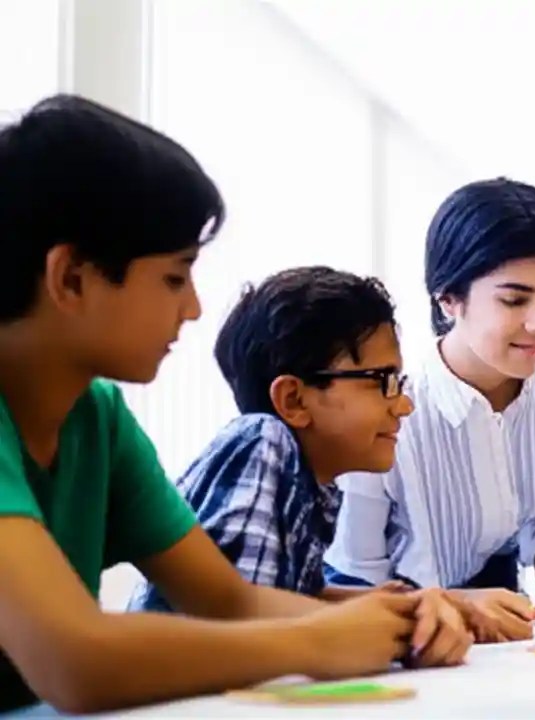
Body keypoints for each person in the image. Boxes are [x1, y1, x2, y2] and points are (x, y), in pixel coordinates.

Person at [0, 95, 468, 715]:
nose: (192, 307)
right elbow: (73, 660)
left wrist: (404, 620)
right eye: (174, 276)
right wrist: (313, 641)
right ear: (71, 278)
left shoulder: (98, 417)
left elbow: (230, 599)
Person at [326, 178, 535, 636]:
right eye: (514, 299)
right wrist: (454, 605)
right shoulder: (388, 409)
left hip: (497, 608)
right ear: (449, 298)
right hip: (385, 614)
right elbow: (355, 574)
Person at [129, 267, 416, 611]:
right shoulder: (262, 442)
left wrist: (422, 605)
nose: (404, 405)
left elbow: (295, 602)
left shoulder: (311, 485)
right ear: (293, 400)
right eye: (382, 380)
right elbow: (242, 622)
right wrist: (399, 624)